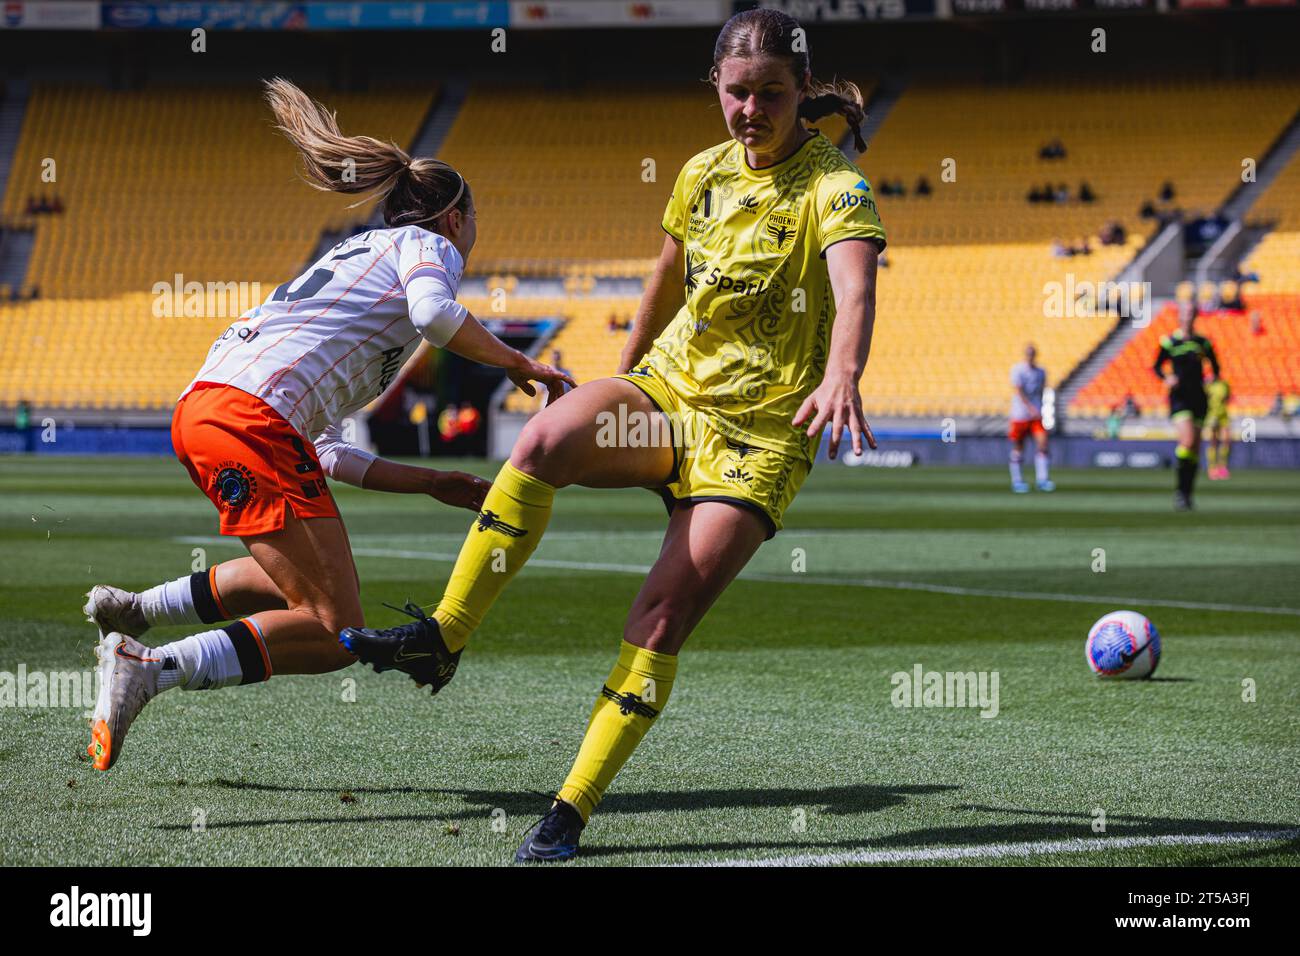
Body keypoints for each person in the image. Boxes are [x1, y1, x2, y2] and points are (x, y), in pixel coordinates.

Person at [339, 6, 885, 863]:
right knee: (545, 440)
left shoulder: (834, 186)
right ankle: (443, 637)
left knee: (659, 620)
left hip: (758, 438)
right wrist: (620, 379)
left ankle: (568, 813)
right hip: (668, 394)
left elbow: (854, 291)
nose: (752, 111)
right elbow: (666, 278)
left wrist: (843, 369)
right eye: (738, 93)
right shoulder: (701, 172)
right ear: (717, 87)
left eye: (771, 94)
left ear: (801, 91)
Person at [80, 78, 573, 772]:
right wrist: (522, 363)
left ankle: (138, 611)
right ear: (456, 219)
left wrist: (431, 482)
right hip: (252, 419)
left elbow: (328, 452)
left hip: (205, 412)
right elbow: (436, 316)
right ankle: (149, 666)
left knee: (291, 580)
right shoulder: (424, 248)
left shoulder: (351, 267)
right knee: (335, 629)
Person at [1153, 303, 1220, 509]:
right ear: (1180, 316)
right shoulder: (1169, 342)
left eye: (1192, 313)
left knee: (1195, 449)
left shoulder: (1203, 342)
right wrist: (1167, 377)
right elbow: (1156, 366)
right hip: (1179, 398)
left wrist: (1211, 379)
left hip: (1199, 398)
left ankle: (1186, 494)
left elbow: (1216, 368)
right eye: (1185, 313)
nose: (1188, 317)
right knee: (1188, 441)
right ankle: (1180, 491)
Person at [1008, 344, 1053, 493]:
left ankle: (1042, 479)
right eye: (1028, 354)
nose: (1030, 357)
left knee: (1043, 444)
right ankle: (1017, 481)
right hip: (1020, 415)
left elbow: (1041, 390)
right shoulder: (1018, 370)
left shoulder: (1041, 372)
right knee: (1019, 448)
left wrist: (1039, 408)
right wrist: (1030, 407)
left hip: (1035, 416)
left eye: (1032, 354)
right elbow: (1019, 391)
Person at [1204, 376, 1231, 480]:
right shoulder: (1208, 384)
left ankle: (1222, 467)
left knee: (1226, 440)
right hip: (1211, 415)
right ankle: (1212, 468)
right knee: (1213, 442)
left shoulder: (1224, 384)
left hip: (1223, 415)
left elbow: (1228, 397)